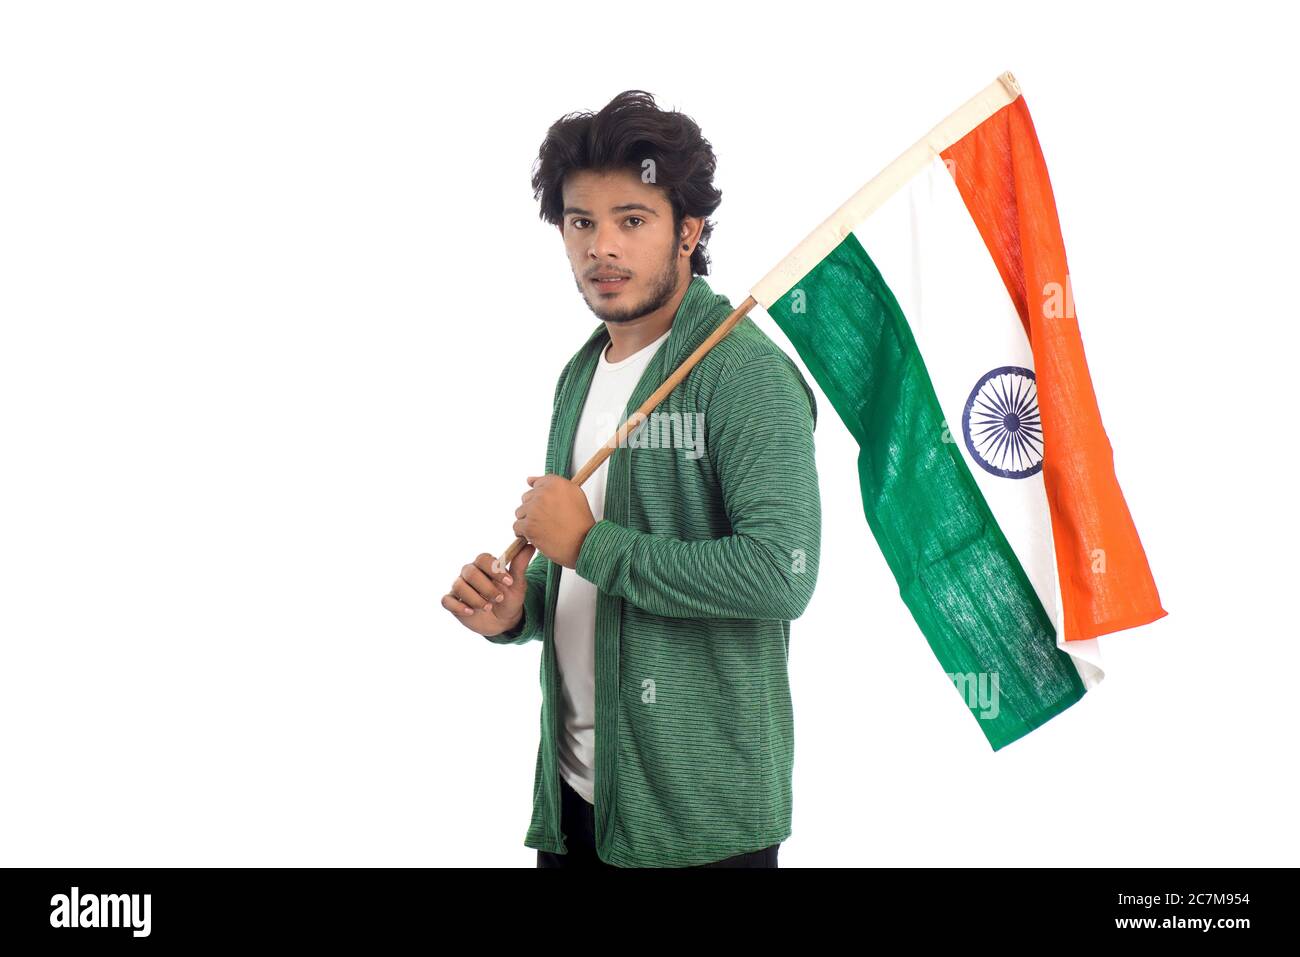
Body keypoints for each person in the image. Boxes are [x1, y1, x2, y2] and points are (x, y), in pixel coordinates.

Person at [441, 90, 821, 868]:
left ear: (689, 230)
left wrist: (586, 542)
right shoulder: (582, 373)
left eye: (632, 219)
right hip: (580, 801)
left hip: (702, 824)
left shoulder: (743, 374)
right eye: (581, 222)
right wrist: (523, 606)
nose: (600, 247)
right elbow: (588, 572)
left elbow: (781, 574)